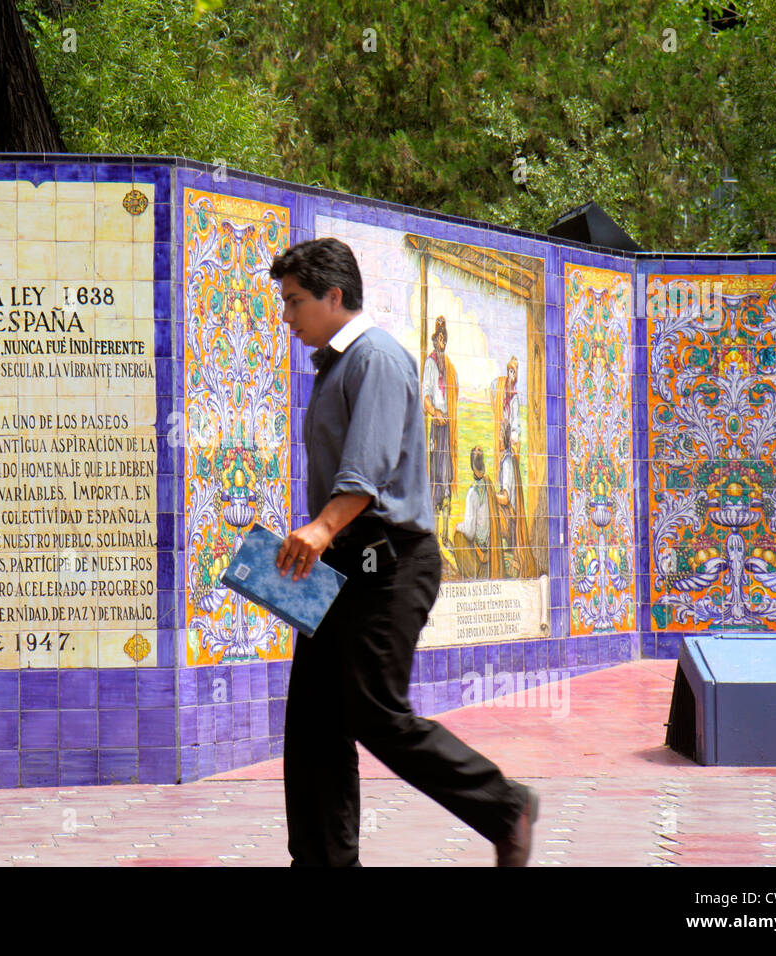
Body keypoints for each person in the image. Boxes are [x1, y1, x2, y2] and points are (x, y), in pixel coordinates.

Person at [270, 237, 538, 867]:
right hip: (339, 565)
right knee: (311, 724)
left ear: (335, 296)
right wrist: (318, 543)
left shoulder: (377, 359)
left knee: (374, 711)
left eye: (295, 301)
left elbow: (365, 473)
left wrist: (318, 529)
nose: (288, 317)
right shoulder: (335, 364)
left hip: (388, 564)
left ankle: (504, 806)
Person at [490, 356, 538, 579]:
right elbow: (492, 390)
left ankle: (509, 557)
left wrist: (490, 493)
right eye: (509, 372)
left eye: (513, 373)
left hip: (508, 517)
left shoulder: (508, 463)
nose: (510, 376)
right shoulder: (502, 391)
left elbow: (506, 498)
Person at [422, 320, 459, 545]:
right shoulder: (430, 363)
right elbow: (425, 396)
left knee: (446, 479)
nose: (442, 341)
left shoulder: (449, 367)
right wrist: (435, 412)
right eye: (439, 337)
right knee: (436, 479)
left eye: (445, 337)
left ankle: (445, 535)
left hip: (448, 430)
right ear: (435, 340)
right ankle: (434, 535)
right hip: (437, 428)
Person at [452, 446, 496, 580]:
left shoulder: (473, 492)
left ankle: (473, 571)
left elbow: (470, 532)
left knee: (458, 536)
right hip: (489, 540)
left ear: (472, 465)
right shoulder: (489, 485)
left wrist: (457, 527)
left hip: (480, 543)